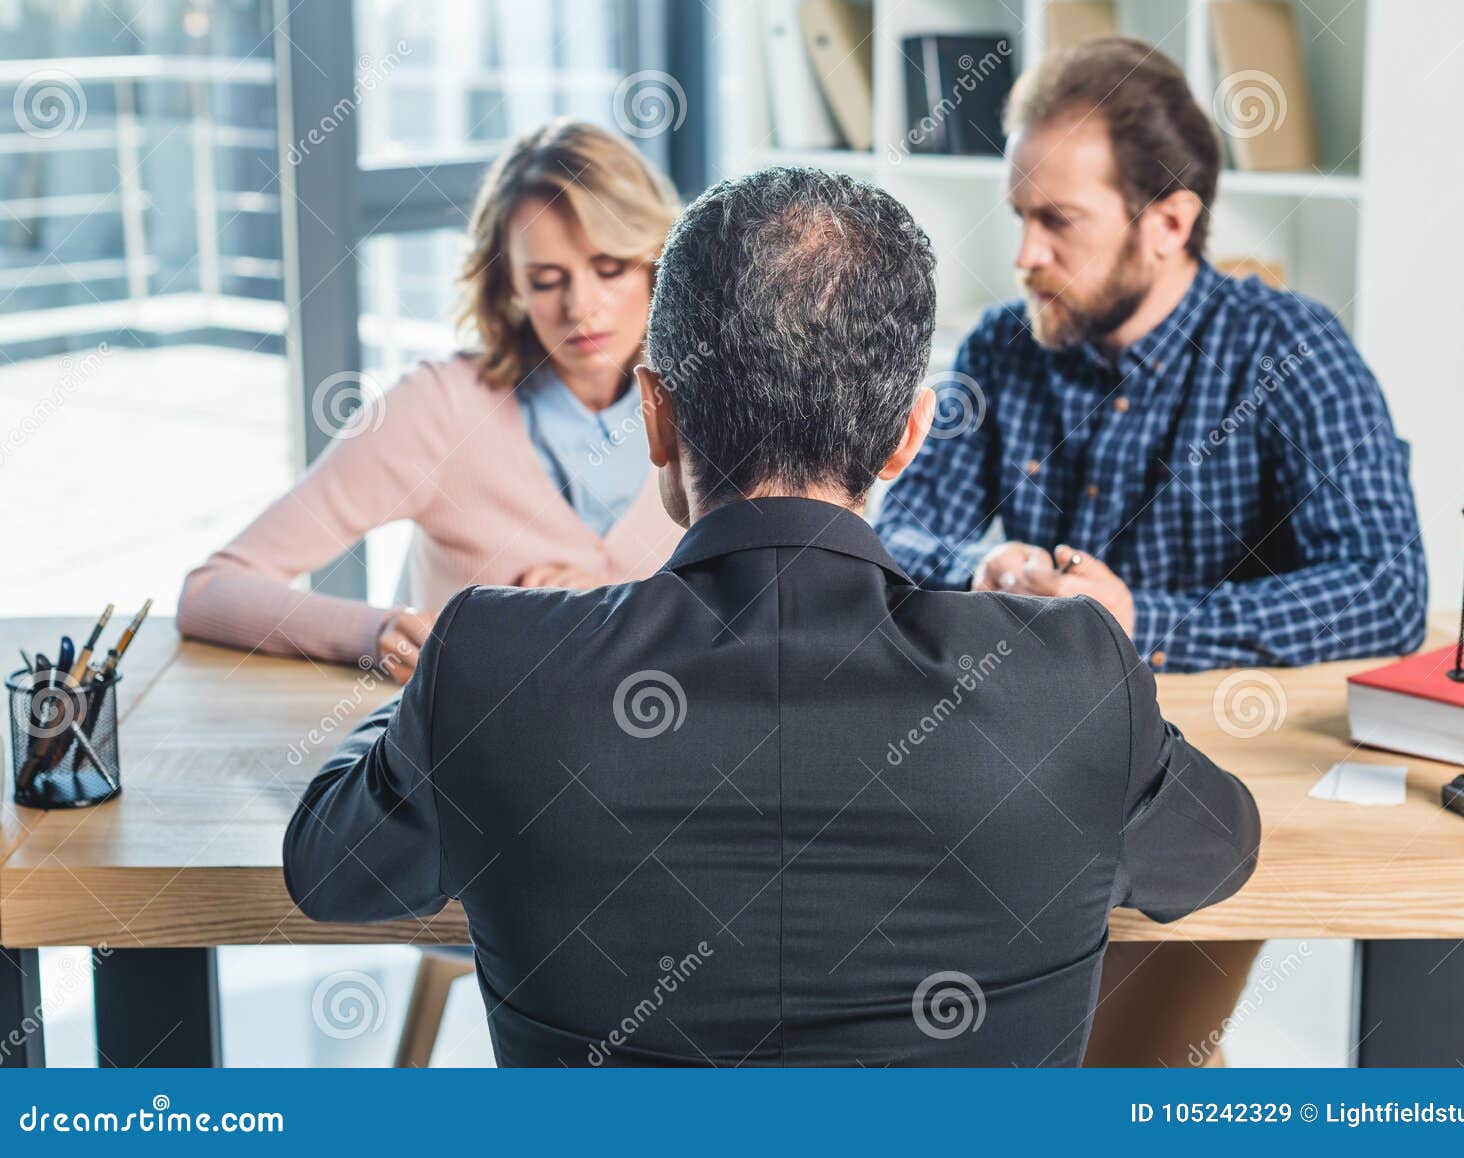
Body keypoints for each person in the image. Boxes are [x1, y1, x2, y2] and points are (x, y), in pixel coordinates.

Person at [282, 166, 1260, 1067]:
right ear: (906, 437)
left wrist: (437, 687)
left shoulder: (490, 662)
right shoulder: (1071, 675)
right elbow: (1216, 851)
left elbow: (331, 871)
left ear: (656, 417)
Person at [872, 39, 1427, 1066]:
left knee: (1115, 1072)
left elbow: (1385, 588)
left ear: (1169, 221)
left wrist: (1142, 623)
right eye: (1019, 217)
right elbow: (896, 537)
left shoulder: (1290, 350)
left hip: (1194, 804)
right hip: (1003, 788)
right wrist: (982, 574)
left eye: (1057, 222)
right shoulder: (1000, 345)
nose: (1025, 254)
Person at [176, 120, 684, 683]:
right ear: (510, 286)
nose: (580, 306)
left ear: (657, 260)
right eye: (544, 280)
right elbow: (210, 592)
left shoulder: (709, 404)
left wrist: (598, 611)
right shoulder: (438, 409)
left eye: (609, 269)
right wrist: (375, 631)